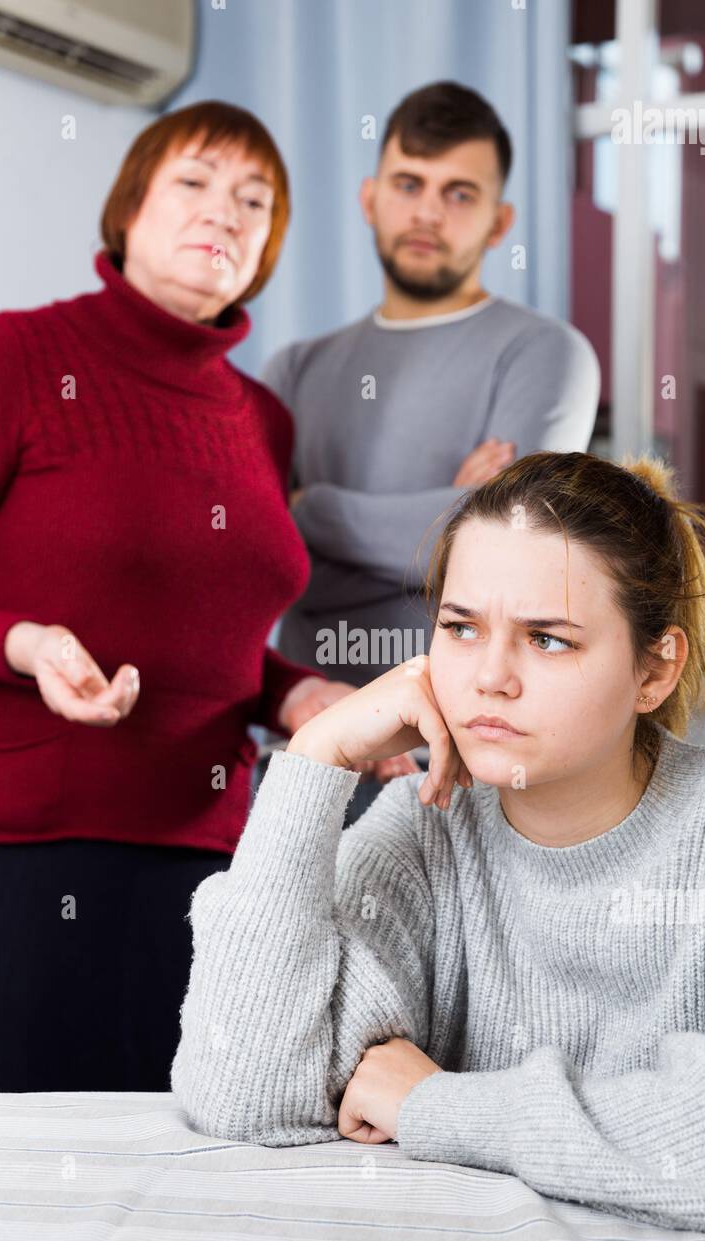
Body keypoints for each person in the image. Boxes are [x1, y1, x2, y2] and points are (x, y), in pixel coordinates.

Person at [171, 450, 705, 1238]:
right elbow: (242, 1094)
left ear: (654, 671)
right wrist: (315, 761)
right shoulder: (422, 822)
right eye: (460, 628)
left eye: (547, 640)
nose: (490, 677)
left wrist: (436, 1105)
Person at [0, 101, 367, 1103]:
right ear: (128, 209)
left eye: (253, 200)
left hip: (201, 855)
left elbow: (204, 641)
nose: (225, 212)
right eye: (194, 183)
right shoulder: (13, 356)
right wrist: (28, 644)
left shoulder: (261, 419)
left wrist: (292, 696)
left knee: (150, 1188)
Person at [261, 80, 601, 821]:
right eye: (408, 184)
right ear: (368, 198)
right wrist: (448, 521)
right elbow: (268, 569)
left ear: (497, 220)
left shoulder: (545, 355)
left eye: (457, 193)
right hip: (304, 760)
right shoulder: (292, 368)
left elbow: (507, 561)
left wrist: (308, 510)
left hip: (458, 771)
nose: (425, 212)